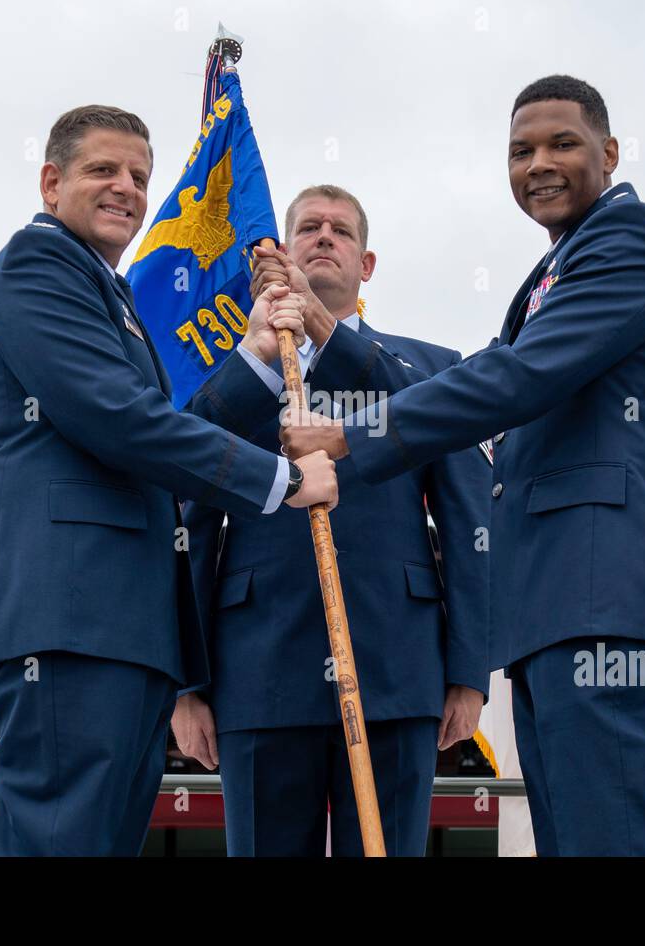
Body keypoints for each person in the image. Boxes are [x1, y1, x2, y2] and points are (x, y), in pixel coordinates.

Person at [279, 76, 645, 856]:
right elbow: (476, 376)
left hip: (608, 597)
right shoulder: (560, 268)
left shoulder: (632, 241)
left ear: (610, 152)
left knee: (615, 837)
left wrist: (347, 437)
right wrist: (328, 332)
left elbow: (512, 381)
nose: (538, 163)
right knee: (579, 839)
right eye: (520, 150)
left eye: (562, 143)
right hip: (558, 605)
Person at [0, 105, 336, 856]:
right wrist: (282, 480)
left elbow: (157, 426)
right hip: (68, 618)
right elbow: (120, 420)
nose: (125, 188)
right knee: (60, 840)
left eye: (138, 177)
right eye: (103, 170)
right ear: (51, 180)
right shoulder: (39, 265)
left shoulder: (106, 289)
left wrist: (255, 357)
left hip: (117, 626)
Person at [173, 185, 491, 855]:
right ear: (284, 251)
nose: (324, 237)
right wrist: (189, 684)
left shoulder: (432, 370)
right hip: (257, 671)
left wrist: (468, 671)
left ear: (366, 263)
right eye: (309, 227)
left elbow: (468, 525)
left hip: (396, 673)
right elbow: (189, 517)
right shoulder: (240, 368)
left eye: (341, 231)